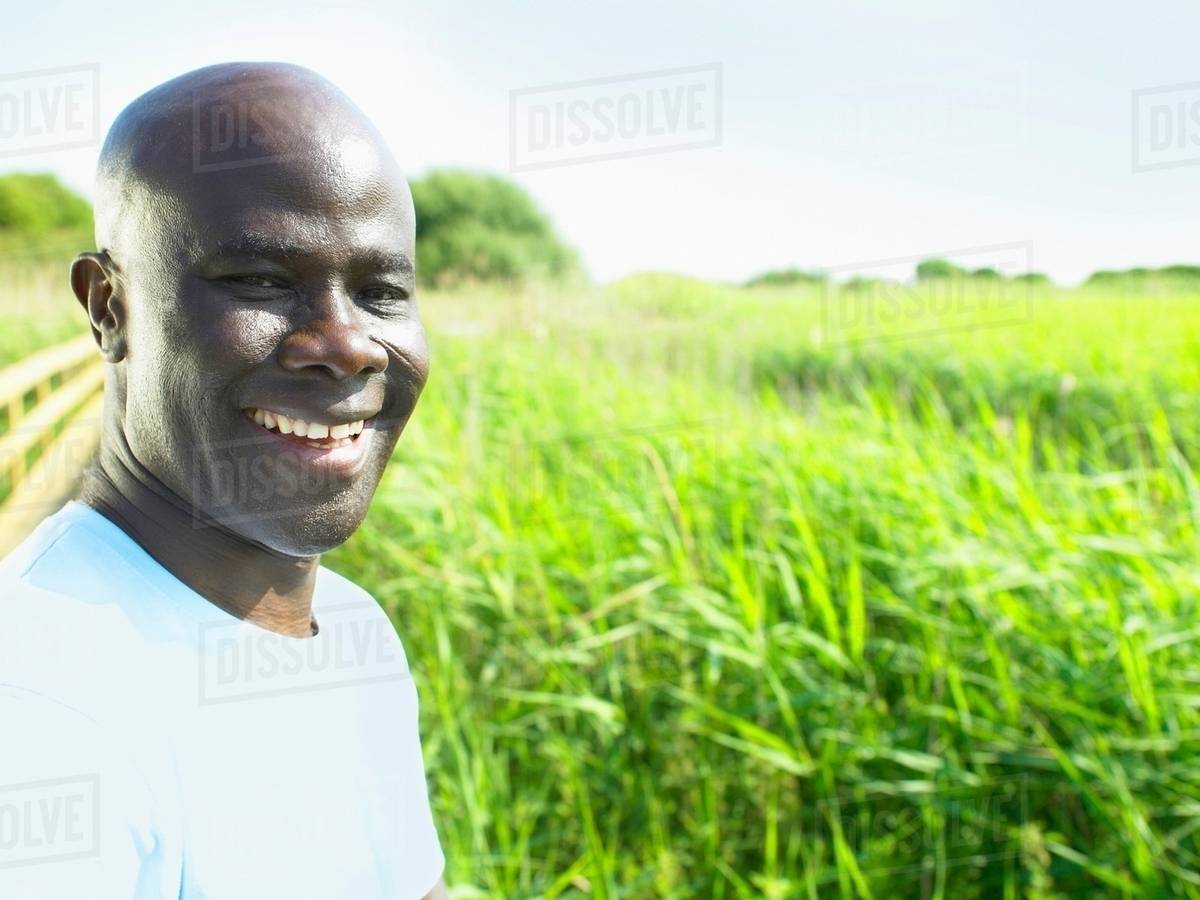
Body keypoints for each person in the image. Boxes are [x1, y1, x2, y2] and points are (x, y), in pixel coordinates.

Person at [0, 61, 449, 899]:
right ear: (108, 307)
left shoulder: (356, 630)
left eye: (381, 291)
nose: (347, 345)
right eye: (260, 282)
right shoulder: (39, 709)